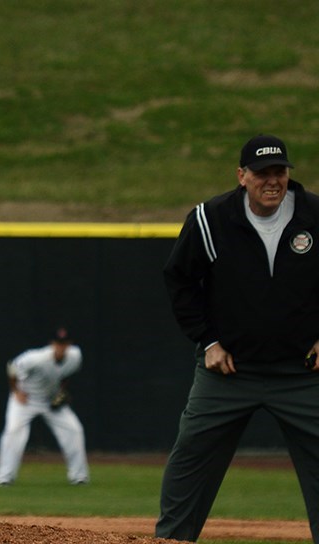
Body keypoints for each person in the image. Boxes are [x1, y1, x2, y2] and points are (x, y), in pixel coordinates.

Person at [156, 134, 319, 543]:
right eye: (262, 172)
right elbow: (180, 280)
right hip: (229, 372)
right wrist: (207, 341)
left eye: (279, 172)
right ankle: (172, 540)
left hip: (303, 373)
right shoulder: (210, 219)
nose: (272, 181)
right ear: (241, 176)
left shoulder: (316, 215)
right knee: (190, 458)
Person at [0, 327, 90, 486]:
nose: (61, 347)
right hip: (26, 400)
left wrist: (62, 391)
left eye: (64, 343)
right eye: (58, 343)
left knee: (74, 430)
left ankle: (79, 477)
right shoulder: (36, 358)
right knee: (13, 432)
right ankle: (4, 478)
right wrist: (16, 391)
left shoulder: (75, 356)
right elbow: (12, 367)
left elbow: (65, 375)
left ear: (70, 344)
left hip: (50, 400)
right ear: (52, 343)